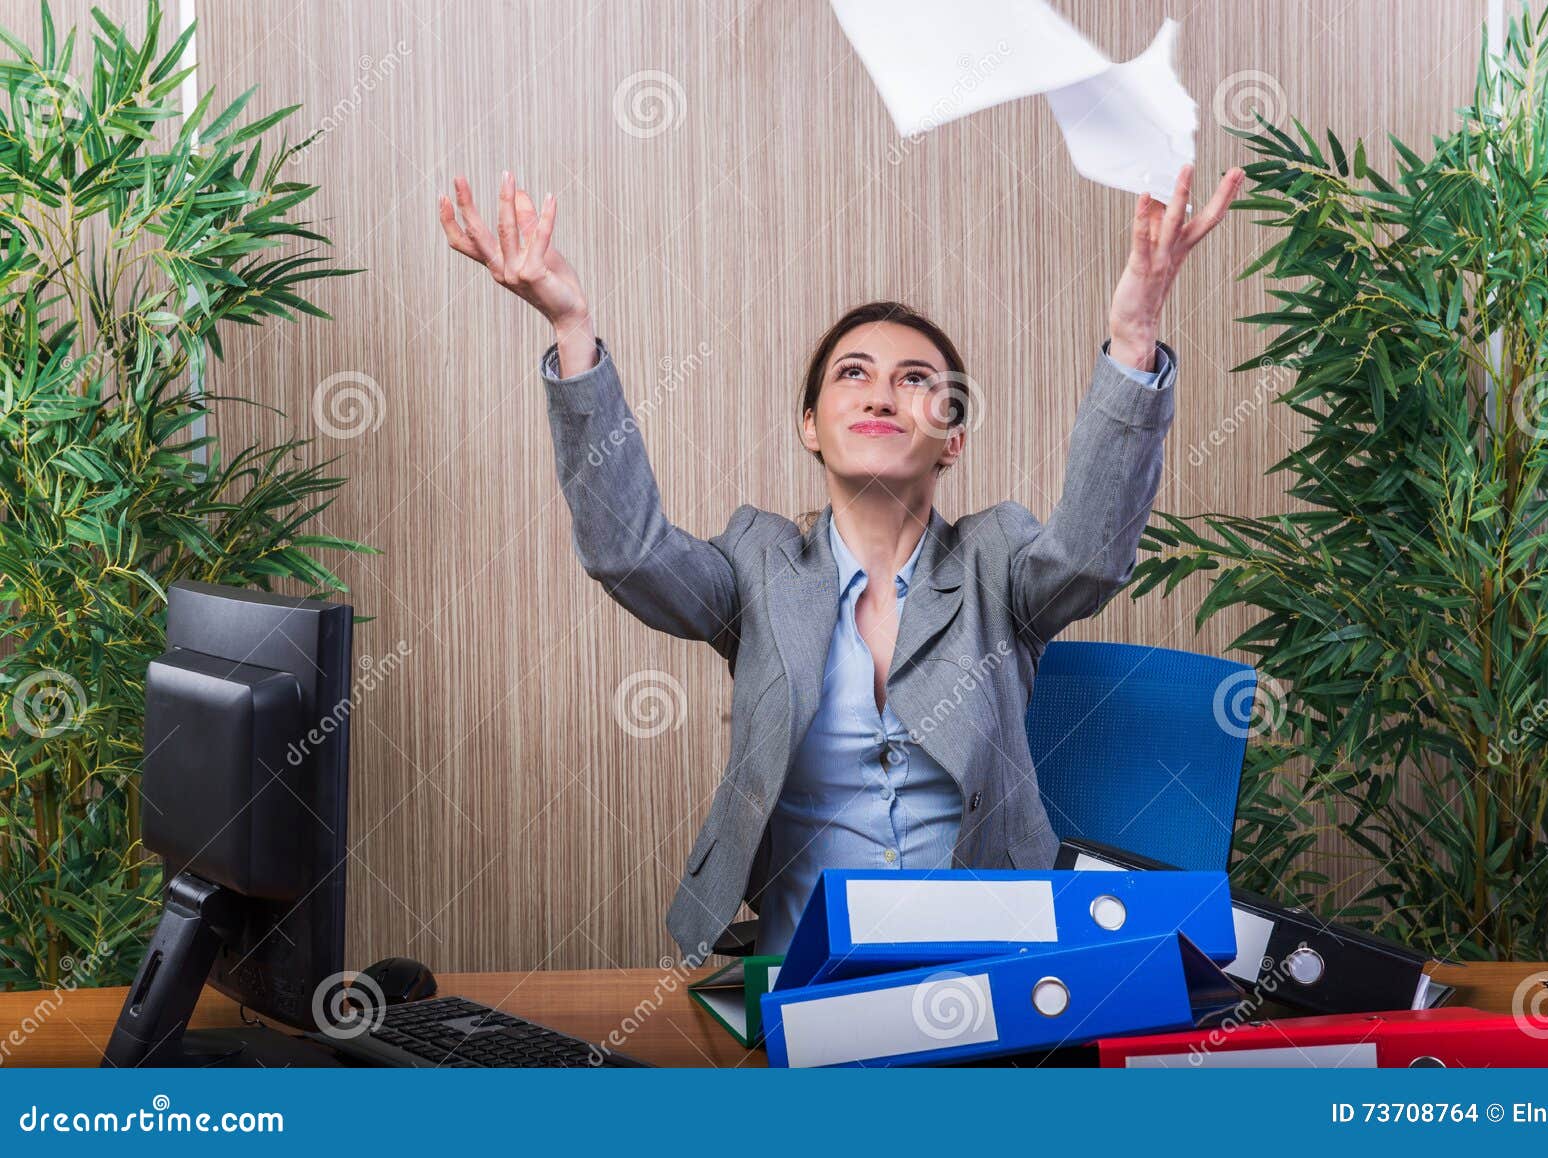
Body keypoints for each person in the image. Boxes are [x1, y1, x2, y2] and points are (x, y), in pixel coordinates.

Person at [439, 163, 1244, 960]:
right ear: (811, 426)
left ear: (953, 437)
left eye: (917, 381)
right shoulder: (757, 569)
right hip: (804, 982)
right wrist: (572, 332)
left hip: (996, 977)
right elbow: (627, 551)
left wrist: (1135, 340)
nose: (880, 394)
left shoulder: (997, 565)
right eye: (852, 375)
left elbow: (1093, 552)